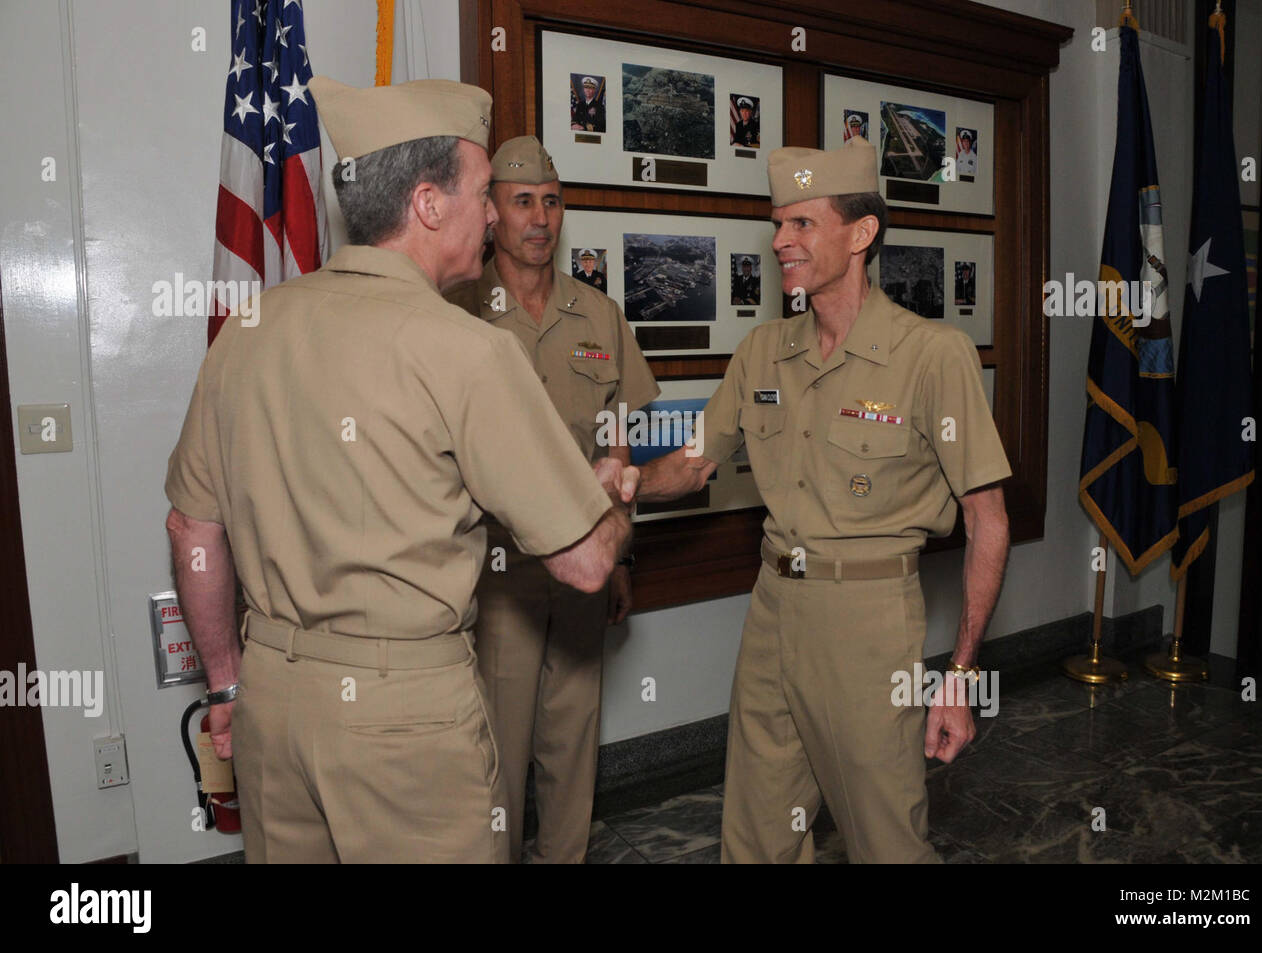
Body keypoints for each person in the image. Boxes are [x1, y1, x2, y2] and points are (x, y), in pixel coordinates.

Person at [163, 78, 638, 864]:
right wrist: (614, 497)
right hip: (402, 720)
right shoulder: (466, 350)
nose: (494, 214)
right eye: (485, 193)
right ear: (427, 203)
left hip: (270, 706)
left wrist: (225, 683)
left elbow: (191, 528)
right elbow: (585, 562)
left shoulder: (248, 328)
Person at [636, 136, 1011, 863]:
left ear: (861, 232)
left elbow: (986, 520)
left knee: (885, 840)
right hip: (774, 607)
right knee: (755, 837)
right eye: (778, 224)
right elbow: (692, 463)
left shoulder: (933, 356)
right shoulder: (762, 351)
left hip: (868, 625)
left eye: (802, 223)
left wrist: (960, 676)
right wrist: (616, 488)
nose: (780, 241)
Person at [446, 136, 660, 863]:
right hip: (496, 572)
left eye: (551, 200)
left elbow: (619, 441)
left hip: (584, 564)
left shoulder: (599, 316)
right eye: (521, 202)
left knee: (572, 743)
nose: (540, 217)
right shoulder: (457, 311)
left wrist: (619, 552)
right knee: (496, 756)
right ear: (490, 214)